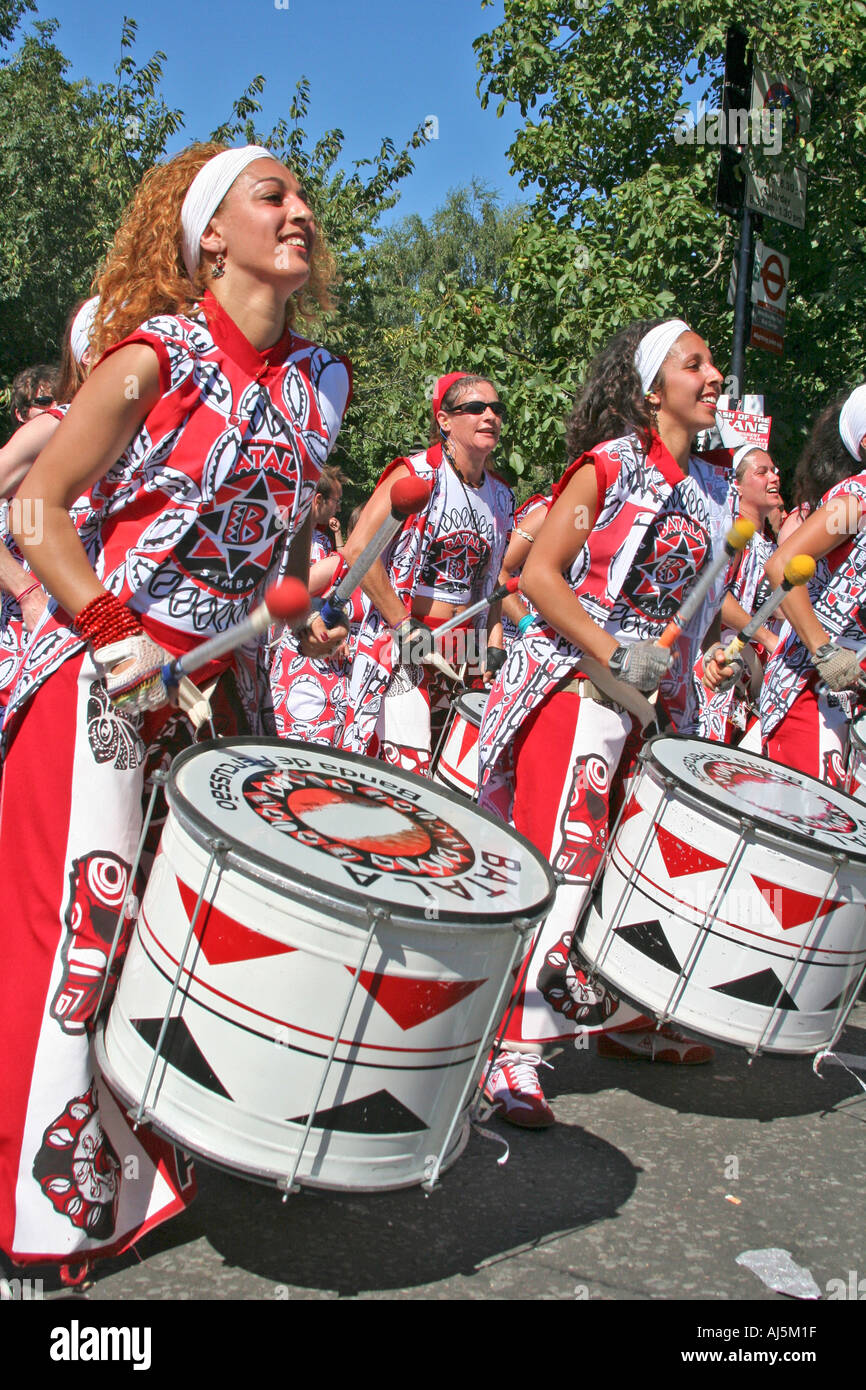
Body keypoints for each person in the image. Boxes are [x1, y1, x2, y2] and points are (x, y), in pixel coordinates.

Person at [0, 141, 350, 1280]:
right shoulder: (155, 357)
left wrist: (294, 614)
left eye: (299, 196)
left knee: (174, 936)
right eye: (272, 196)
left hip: (213, 700)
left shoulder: (323, 385)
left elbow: (272, 543)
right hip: (96, 678)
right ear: (211, 234)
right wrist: (118, 637)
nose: (298, 212)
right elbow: (40, 511)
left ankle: (139, 1161)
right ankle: (42, 1211)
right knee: (80, 938)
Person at [476, 318, 734, 1126]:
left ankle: (614, 1015)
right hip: (574, 688)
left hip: (649, 710)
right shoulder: (609, 468)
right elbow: (538, 575)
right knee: (564, 860)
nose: (715, 375)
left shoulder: (715, 489)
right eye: (696, 365)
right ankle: (508, 1053)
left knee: (623, 867)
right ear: (654, 389)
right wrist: (612, 650)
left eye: (715, 364)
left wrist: (730, 646)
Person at [340, 372, 513, 773]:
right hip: (404, 649)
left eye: (496, 409)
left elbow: (492, 580)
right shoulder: (417, 474)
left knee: (454, 783)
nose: (489, 415)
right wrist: (402, 623)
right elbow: (358, 548)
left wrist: (494, 639)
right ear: (445, 420)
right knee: (404, 778)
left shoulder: (501, 496)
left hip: (462, 659)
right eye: (475, 408)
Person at [759, 385, 866, 784]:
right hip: (808, 691)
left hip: (851, 698)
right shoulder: (858, 500)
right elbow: (782, 566)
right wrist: (824, 651)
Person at [0, 299, 98, 712]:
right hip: (29, 641)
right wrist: (27, 594)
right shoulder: (58, 424)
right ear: (89, 356)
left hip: (93, 639)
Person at [696, 445, 783, 743]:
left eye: (775, 471)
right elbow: (716, 596)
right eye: (762, 472)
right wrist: (769, 639)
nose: (774, 478)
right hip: (711, 665)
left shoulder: (766, 544)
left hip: (739, 681)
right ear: (738, 485)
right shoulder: (732, 531)